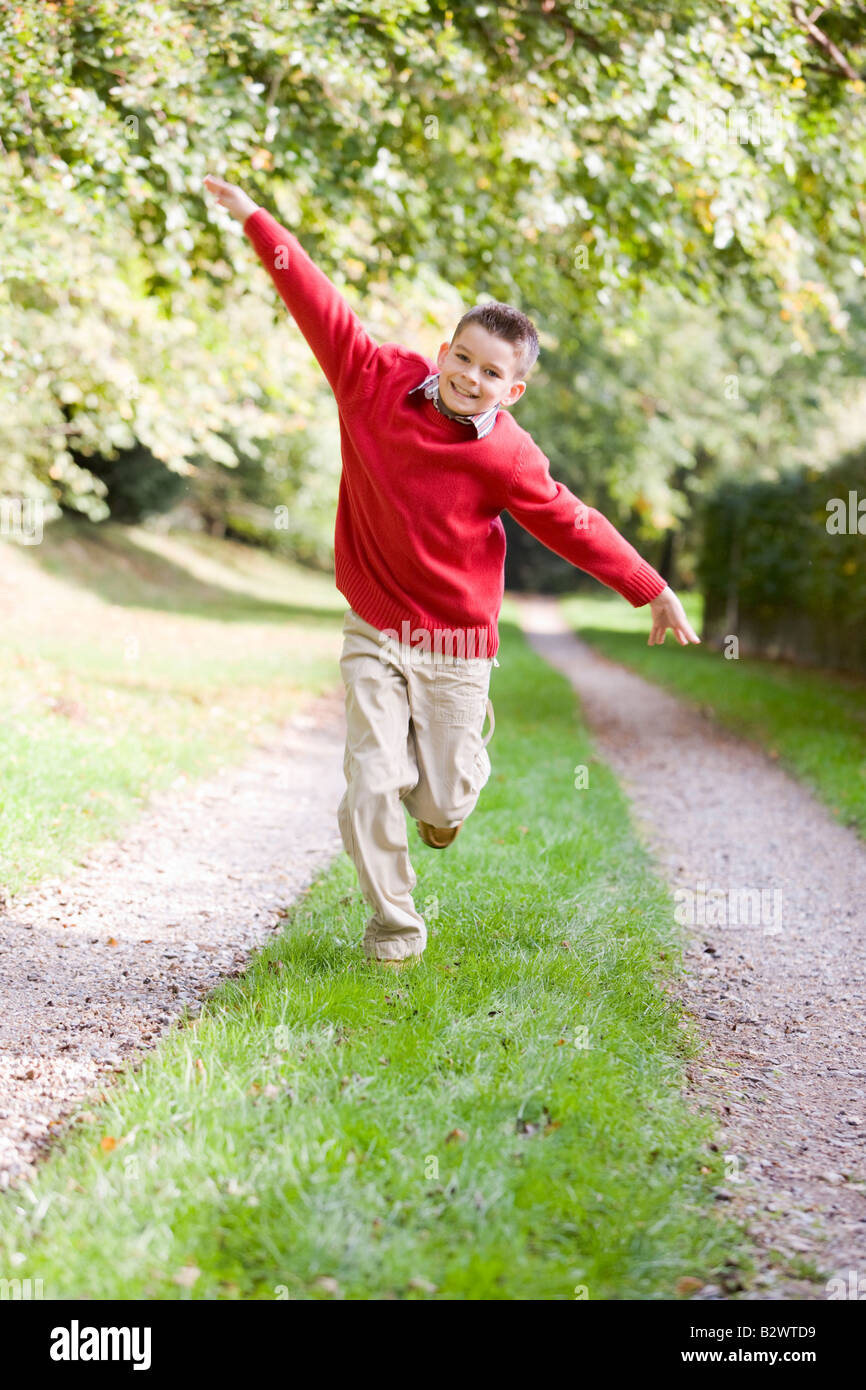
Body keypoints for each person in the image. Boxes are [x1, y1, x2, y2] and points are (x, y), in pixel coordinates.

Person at [202, 174, 700, 969]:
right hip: (373, 625)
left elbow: (574, 523)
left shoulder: (507, 453)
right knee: (371, 780)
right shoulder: (372, 381)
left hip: (457, 647)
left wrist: (655, 587)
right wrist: (255, 218)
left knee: (442, 799)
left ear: (515, 388)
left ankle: (447, 793)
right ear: (443, 352)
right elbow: (316, 301)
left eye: (490, 372)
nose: (470, 377)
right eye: (462, 357)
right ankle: (394, 934)